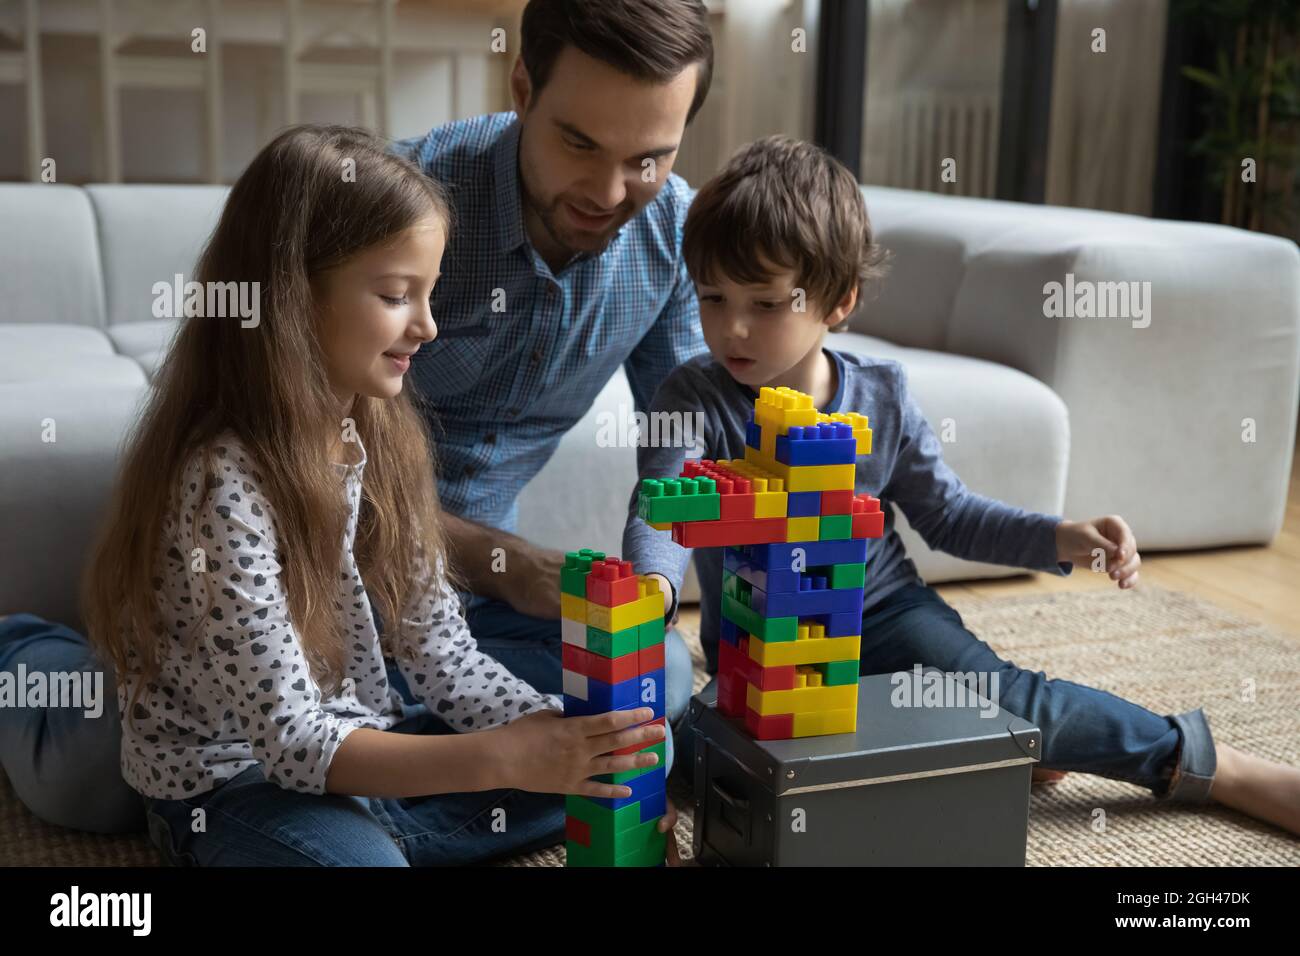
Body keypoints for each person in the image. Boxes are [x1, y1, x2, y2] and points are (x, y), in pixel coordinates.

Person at [1, 125, 677, 866]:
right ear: (294, 297)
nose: (427, 325)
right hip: (233, 781)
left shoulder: (380, 433)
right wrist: (507, 762)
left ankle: (378, 834)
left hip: (354, 738)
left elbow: (441, 656)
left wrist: (553, 738)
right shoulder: (220, 482)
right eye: (396, 295)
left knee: (641, 751)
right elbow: (289, 743)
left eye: (429, 293)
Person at [620, 134, 1300, 836]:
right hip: (759, 645)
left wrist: (1058, 536)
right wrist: (657, 590)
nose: (730, 326)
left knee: (1010, 699)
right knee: (704, 758)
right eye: (711, 296)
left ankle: (1217, 766)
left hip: (882, 613)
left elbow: (948, 514)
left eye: (765, 303)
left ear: (838, 300)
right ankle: (974, 746)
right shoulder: (691, 395)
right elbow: (662, 505)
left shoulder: (879, 395)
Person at [388, 0, 716, 761]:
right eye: (579, 143)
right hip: (330, 578)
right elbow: (305, 466)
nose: (608, 193)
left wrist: (656, 588)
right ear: (523, 88)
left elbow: (676, 445)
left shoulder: (671, 235)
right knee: (95, 779)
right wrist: (511, 567)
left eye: (648, 158)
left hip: (475, 610)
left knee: (654, 674)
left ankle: (376, 764)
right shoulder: (400, 201)